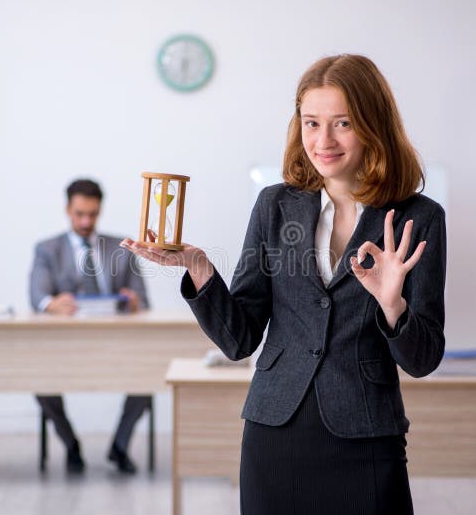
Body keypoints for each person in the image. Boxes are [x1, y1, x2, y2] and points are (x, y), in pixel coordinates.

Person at [122, 54, 446, 514]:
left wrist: (392, 305)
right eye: (311, 123)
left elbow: (424, 358)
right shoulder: (275, 205)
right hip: (275, 429)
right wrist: (198, 267)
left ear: (374, 125)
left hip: (367, 432)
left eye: (343, 123)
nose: (323, 140)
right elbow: (240, 339)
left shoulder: (421, 217)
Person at [30, 178, 152, 474]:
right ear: (67, 209)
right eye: (79, 214)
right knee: (38, 382)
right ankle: (70, 445)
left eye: (93, 214)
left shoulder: (122, 248)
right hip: (64, 345)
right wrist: (50, 304)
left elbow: (143, 301)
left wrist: (133, 301)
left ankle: (120, 446)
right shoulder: (47, 249)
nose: (86, 221)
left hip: (115, 343)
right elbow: (37, 296)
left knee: (151, 374)